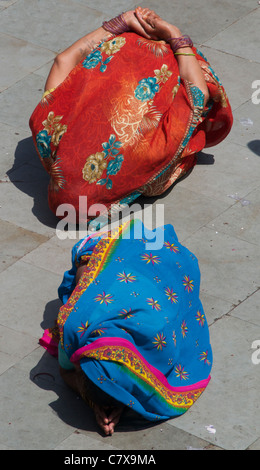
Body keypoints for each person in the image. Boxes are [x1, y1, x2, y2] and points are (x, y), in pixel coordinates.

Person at [29, 7, 233, 227]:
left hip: (159, 68)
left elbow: (197, 96)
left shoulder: (146, 157)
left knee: (191, 90)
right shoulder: (47, 134)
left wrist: (177, 40)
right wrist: (121, 24)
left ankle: (158, 51)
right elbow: (63, 60)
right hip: (127, 58)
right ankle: (135, 48)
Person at [40, 219, 213, 435]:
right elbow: (67, 371)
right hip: (133, 260)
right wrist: (101, 402)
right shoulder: (75, 326)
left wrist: (116, 399)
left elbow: (68, 371)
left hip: (159, 261)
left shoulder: (158, 340)